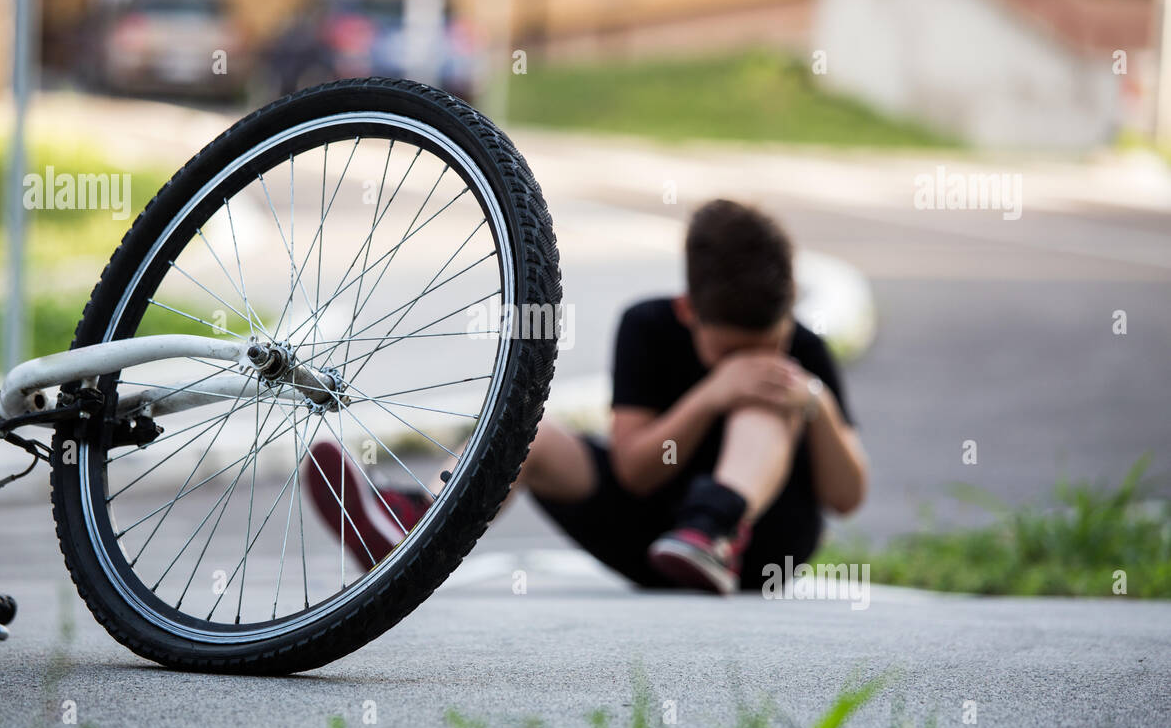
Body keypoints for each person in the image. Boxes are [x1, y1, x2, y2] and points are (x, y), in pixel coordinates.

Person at [305, 199, 868, 594]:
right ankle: (419, 529)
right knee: (533, 431)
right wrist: (711, 396)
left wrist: (814, 403)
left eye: (765, 346)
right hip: (652, 538)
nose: (748, 362)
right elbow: (635, 471)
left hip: (761, 549)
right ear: (688, 310)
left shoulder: (802, 349)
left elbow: (846, 496)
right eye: (728, 352)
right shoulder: (648, 327)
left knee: (768, 398)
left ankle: (715, 528)